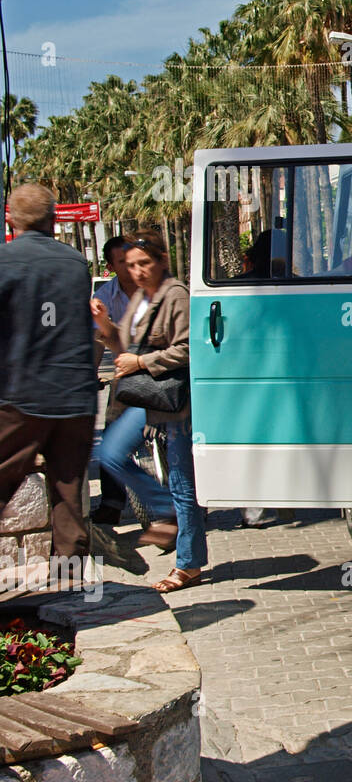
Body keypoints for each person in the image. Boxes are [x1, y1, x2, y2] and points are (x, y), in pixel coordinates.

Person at [91, 231, 208, 593]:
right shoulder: (142, 298)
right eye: (131, 265)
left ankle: (188, 564)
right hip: (147, 399)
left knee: (182, 482)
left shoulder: (176, 296)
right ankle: (163, 509)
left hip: (173, 400)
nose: (138, 271)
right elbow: (120, 346)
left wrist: (143, 360)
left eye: (144, 263)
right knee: (110, 454)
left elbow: (189, 348)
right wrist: (104, 324)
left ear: (161, 261)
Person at [0, 184, 98, 559]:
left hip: (23, 394)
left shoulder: (6, 260)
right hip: (76, 397)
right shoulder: (75, 262)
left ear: (10, 217)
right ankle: (70, 581)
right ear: (53, 219)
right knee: (69, 491)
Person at [89, 235, 133, 525]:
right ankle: (112, 503)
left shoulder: (157, 289)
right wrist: (91, 373)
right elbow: (97, 339)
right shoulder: (105, 296)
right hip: (124, 373)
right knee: (112, 437)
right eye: (122, 263)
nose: (131, 269)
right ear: (111, 266)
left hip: (160, 372)